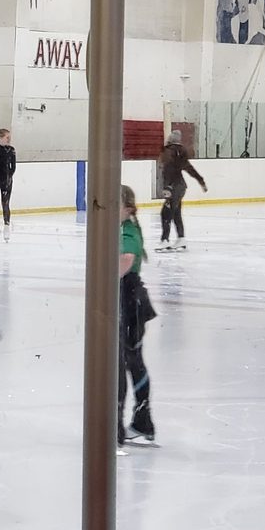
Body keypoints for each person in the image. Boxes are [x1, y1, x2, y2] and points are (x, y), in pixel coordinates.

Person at [118, 184, 157, 446]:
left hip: (130, 303)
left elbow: (127, 259)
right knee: (130, 360)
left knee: (127, 360)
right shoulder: (122, 228)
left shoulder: (128, 230)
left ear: (128, 209)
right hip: (128, 301)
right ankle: (141, 422)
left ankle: (122, 425)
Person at [157, 129, 207, 251]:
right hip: (181, 187)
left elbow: (168, 170)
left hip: (173, 187)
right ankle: (181, 238)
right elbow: (190, 168)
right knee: (176, 213)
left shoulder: (169, 152)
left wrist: (168, 187)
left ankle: (165, 240)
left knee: (166, 213)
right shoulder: (181, 153)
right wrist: (201, 181)